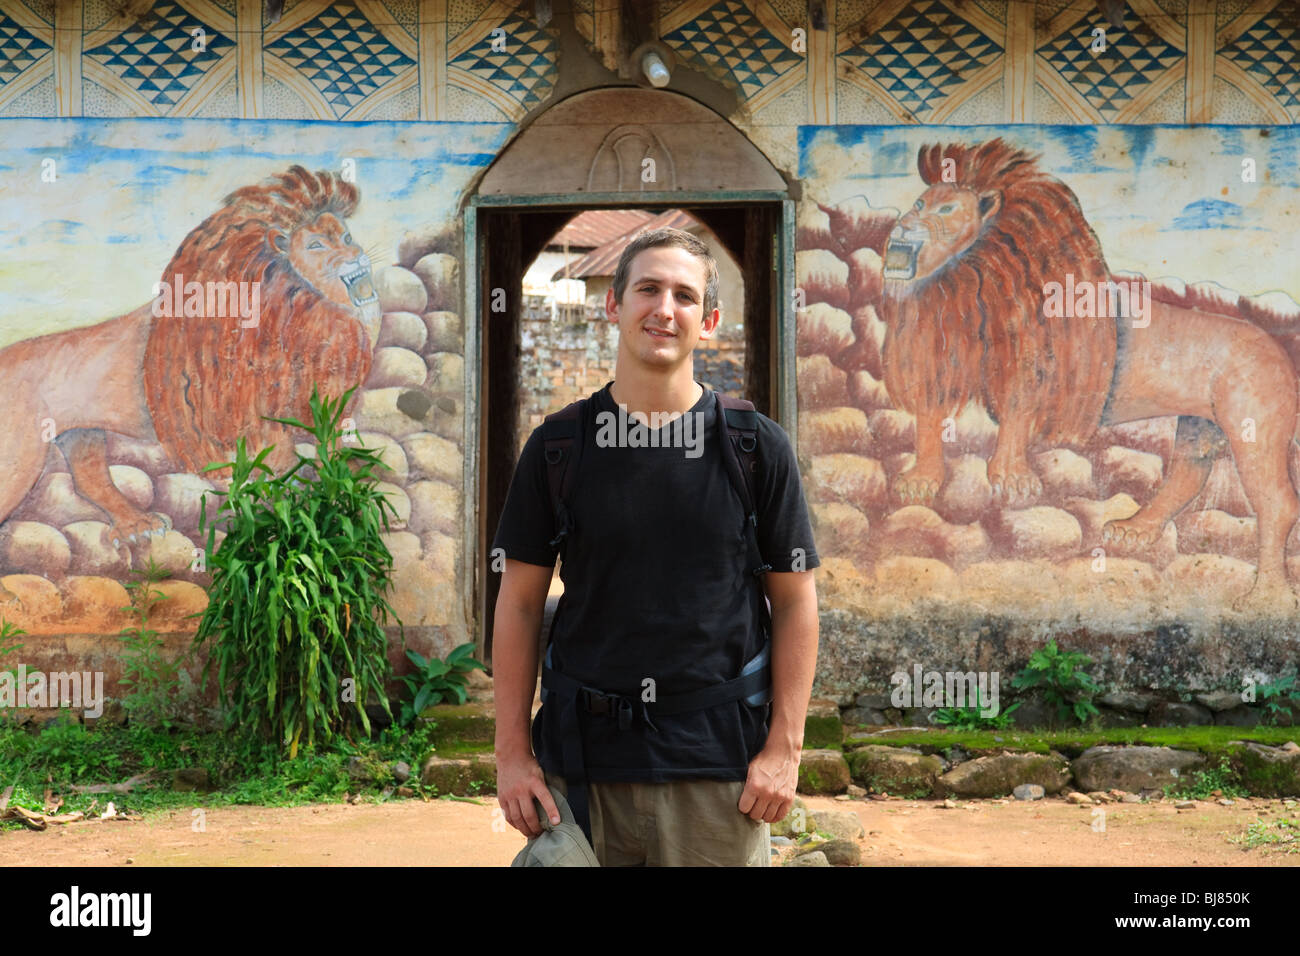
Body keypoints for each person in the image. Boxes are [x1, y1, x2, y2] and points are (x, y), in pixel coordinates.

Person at [492, 226, 820, 866]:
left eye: (685, 296)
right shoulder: (559, 449)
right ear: (613, 305)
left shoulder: (755, 450)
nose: (664, 309)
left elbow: (796, 601)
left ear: (711, 319)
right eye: (647, 289)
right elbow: (521, 604)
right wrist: (511, 755)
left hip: (717, 770)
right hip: (580, 771)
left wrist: (785, 748)